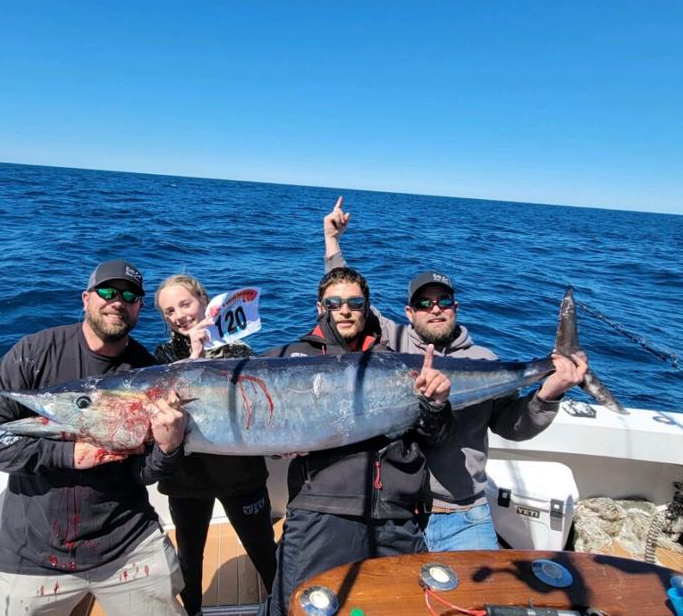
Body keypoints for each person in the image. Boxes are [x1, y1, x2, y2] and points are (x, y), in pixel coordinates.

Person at [321, 196, 588, 551]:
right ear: (409, 311)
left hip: (462, 512)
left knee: (479, 604)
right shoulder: (394, 339)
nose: (435, 309)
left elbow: (513, 426)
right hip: (394, 509)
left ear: (456, 309)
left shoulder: (484, 359)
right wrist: (332, 242)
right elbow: (346, 302)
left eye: (443, 302)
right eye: (424, 304)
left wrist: (549, 393)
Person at [0, 259, 190, 616]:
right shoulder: (33, 353)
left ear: (139, 308)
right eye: (107, 291)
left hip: (126, 543)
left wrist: (168, 447)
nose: (118, 301)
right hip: (32, 553)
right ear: (86, 298)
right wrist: (67, 455)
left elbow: (143, 473)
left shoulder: (148, 372)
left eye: (129, 295)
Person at [258, 266, 455, 616]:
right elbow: (253, 418)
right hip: (322, 512)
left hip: (397, 514)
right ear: (320, 307)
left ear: (366, 308)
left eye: (355, 302)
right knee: (300, 607)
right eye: (334, 303)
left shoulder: (395, 360)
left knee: (406, 608)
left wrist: (435, 406)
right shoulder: (287, 357)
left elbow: (435, 437)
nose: (345, 310)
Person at [151, 274, 277, 616]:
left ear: (204, 302)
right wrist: (193, 357)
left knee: (264, 550)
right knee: (189, 559)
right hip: (186, 481)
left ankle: (283, 607)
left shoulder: (238, 349)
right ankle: (192, 612)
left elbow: (257, 401)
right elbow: (163, 396)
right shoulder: (162, 356)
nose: (179, 315)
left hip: (242, 476)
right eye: (169, 311)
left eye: (185, 304)